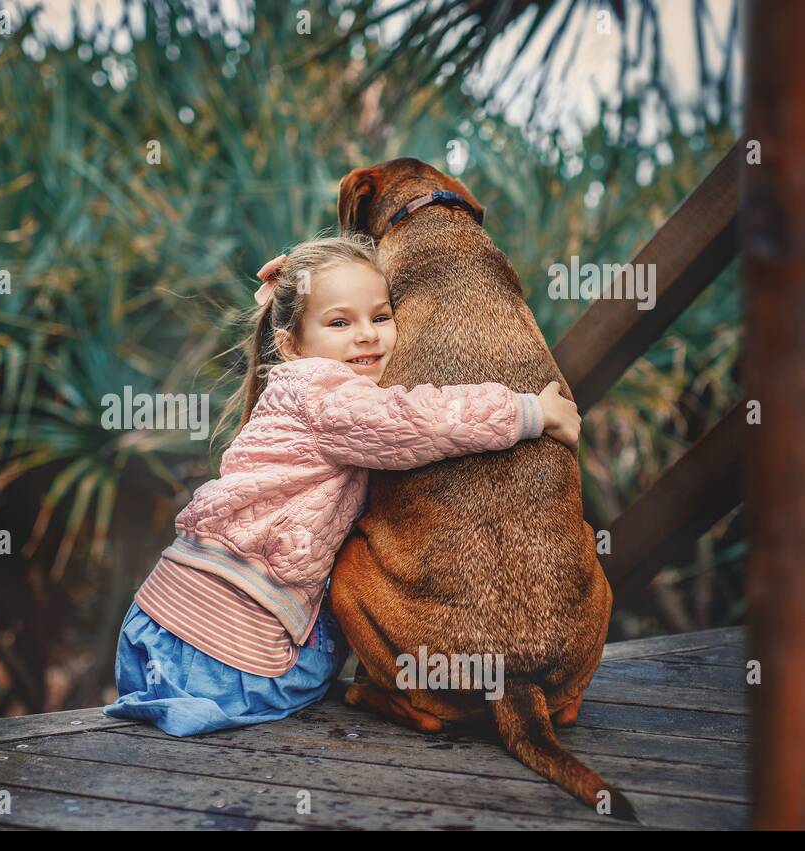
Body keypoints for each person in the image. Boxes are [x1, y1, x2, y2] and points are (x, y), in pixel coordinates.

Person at [101, 229, 581, 736]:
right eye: (339, 322)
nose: (367, 335)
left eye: (380, 316)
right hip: (231, 653)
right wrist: (528, 410)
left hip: (155, 628)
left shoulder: (286, 392)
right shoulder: (328, 395)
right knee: (344, 610)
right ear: (290, 345)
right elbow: (417, 422)